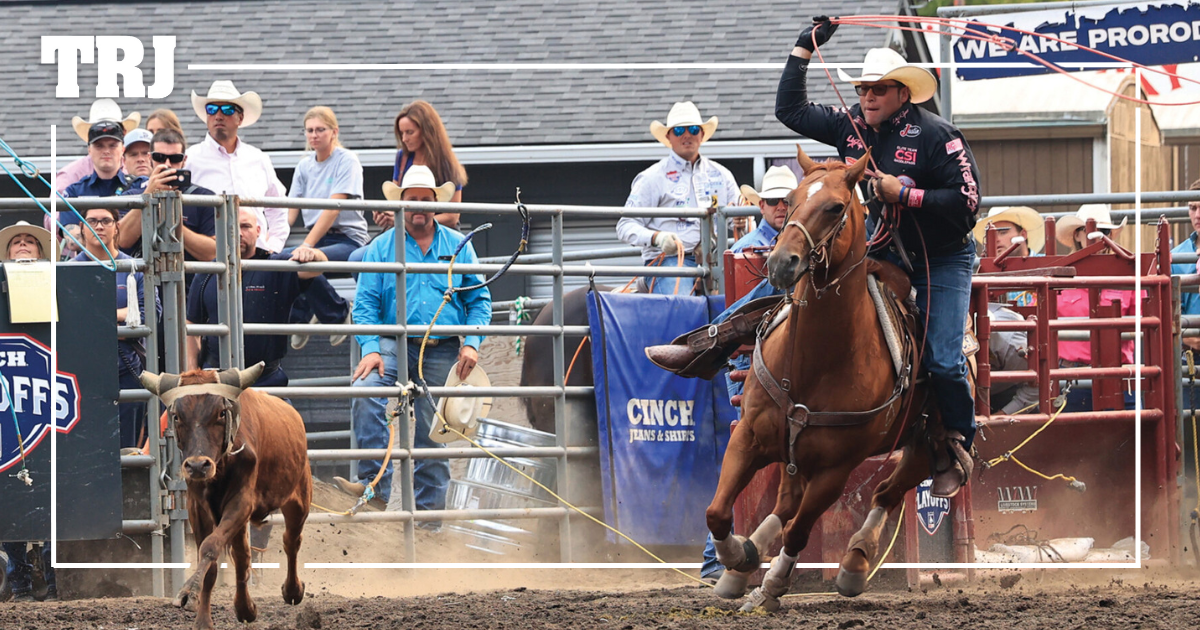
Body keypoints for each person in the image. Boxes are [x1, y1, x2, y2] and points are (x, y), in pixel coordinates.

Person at [774, 19, 982, 498]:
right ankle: (724, 339)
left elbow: (967, 204)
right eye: (864, 89)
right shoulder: (848, 126)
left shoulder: (938, 136)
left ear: (902, 93)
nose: (868, 97)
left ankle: (956, 445)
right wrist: (803, 47)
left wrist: (905, 196)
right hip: (882, 247)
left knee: (945, 359)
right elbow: (790, 108)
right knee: (793, 282)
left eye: (879, 89)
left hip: (941, 258)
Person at [336, 166, 491, 529]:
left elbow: (479, 299)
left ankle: (429, 529)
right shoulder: (380, 247)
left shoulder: (458, 245)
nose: (419, 207)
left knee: (431, 435)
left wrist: (472, 343)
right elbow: (365, 304)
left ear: (436, 204)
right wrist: (370, 347)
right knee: (365, 391)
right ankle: (374, 485)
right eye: (412, 201)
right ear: (400, 204)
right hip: (391, 343)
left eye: (425, 200)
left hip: (441, 348)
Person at [186, 208, 328, 387]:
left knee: (285, 416)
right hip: (216, 378)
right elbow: (191, 326)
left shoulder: (276, 266)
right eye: (231, 227)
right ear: (219, 232)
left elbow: (320, 266)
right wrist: (192, 372)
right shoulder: (206, 273)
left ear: (259, 231)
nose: (238, 233)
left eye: (245, 226)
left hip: (265, 378)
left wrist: (313, 253)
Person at [616, 101, 740, 295]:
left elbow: (741, 219)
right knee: (681, 306)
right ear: (669, 136)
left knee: (748, 299)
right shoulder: (652, 177)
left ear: (702, 134)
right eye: (679, 130)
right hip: (668, 262)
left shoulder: (722, 176)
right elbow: (625, 225)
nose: (687, 135)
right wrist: (657, 238)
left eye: (692, 129)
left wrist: (742, 222)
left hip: (717, 261)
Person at [0, 221, 57, 602]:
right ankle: (18, 575)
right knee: (9, 485)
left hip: (45, 398)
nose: (22, 245)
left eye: (30, 241)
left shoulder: (61, 284)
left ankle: (53, 573)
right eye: (15, 242)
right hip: (12, 404)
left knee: (56, 480)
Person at [71, 207, 158, 449]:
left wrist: (100, 318)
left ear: (116, 226)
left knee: (128, 444)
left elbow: (152, 312)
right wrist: (122, 317)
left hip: (127, 365)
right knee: (84, 443)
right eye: (92, 221)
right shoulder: (68, 269)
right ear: (82, 227)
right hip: (80, 371)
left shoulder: (134, 267)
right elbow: (70, 319)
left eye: (106, 221)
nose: (99, 227)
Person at [284, 106, 364, 351]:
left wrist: (307, 245)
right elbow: (290, 209)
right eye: (310, 130)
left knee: (304, 260)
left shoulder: (346, 160)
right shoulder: (304, 166)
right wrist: (272, 239)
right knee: (280, 260)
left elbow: (333, 208)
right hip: (317, 239)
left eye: (320, 129)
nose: (314, 135)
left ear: (333, 132)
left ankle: (334, 313)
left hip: (347, 239)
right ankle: (308, 316)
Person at [186, 80, 289, 253]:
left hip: (257, 256)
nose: (218, 115)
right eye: (212, 109)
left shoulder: (259, 158)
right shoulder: (190, 159)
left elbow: (278, 206)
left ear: (240, 118)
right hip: (211, 258)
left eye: (227, 110)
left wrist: (274, 246)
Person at [1055, 204, 1140, 412]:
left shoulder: (1127, 274)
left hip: (1119, 376)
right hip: (1071, 377)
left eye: (1104, 231)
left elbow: (1143, 323)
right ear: (1077, 235)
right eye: (1091, 230)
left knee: (1125, 438)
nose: (1098, 237)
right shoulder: (1058, 275)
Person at [119, 129, 218, 287]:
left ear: (184, 161)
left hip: (190, 290)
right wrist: (148, 196)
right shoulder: (132, 195)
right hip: (145, 289)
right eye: (159, 158)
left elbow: (213, 253)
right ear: (150, 159)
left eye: (174, 158)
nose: (167, 164)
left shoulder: (203, 197)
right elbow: (121, 239)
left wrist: (174, 223)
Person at [60, 117, 147, 235]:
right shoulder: (74, 192)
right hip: (89, 254)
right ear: (89, 150)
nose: (106, 151)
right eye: (99, 146)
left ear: (122, 149)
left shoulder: (141, 186)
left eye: (112, 145)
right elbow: (72, 239)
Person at [391, 100, 467, 228]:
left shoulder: (447, 164)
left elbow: (452, 217)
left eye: (410, 132)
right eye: (401, 133)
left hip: (440, 233)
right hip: (406, 232)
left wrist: (412, 222)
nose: (404, 139)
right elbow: (394, 199)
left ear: (427, 131)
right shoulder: (402, 158)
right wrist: (385, 214)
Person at [50, 99, 140, 196]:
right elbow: (56, 210)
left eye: (114, 129)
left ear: (124, 134)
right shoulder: (70, 176)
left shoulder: (135, 170)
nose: (106, 151)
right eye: (99, 144)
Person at [972, 206, 1045, 307]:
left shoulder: (1047, 263)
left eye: (1003, 232)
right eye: (991, 235)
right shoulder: (986, 271)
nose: (996, 239)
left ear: (1023, 234)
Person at [1170, 179, 1200, 347]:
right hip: (1190, 353)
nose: (1197, 215)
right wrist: (1188, 336)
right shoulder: (1176, 256)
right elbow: (1171, 310)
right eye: (1192, 208)